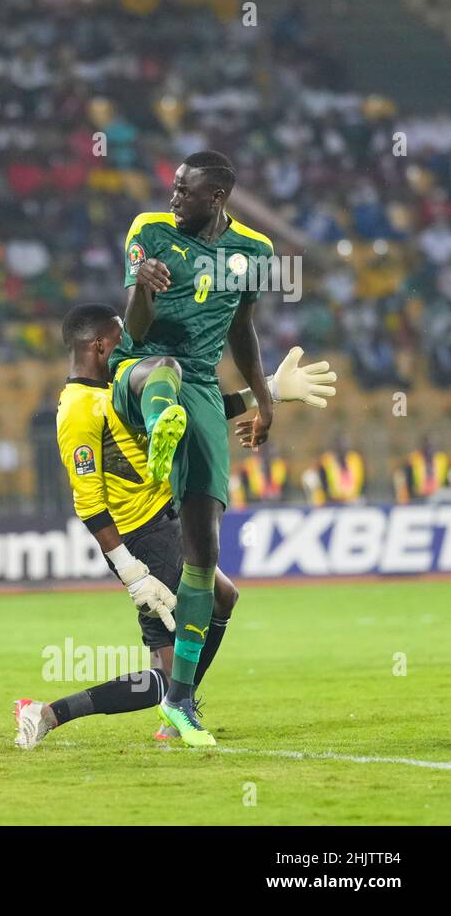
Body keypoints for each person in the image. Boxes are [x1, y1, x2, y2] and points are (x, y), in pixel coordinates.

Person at [15, 305, 337, 749]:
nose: (129, 345)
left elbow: (200, 408)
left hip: (163, 520)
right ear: (99, 346)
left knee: (177, 655)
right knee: (210, 613)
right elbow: (88, 502)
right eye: (120, 338)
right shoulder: (77, 409)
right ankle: (165, 705)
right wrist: (132, 573)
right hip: (143, 535)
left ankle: (74, 711)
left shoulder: (117, 390)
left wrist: (272, 391)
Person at [111, 152, 331, 745]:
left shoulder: (255, 253)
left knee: (203, 551)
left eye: (186, 189)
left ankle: (179, 700)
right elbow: (132, 329)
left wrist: (263, 399)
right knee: (162, 370)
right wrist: (145, 288)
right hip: (139, 371)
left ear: (219, 196)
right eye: (174, 184)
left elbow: (243, 327)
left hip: (205, 386)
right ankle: (162, 422)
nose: (174, 195)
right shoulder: (148, 231)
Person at [302, 435, 365, 506]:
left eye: (343, 447)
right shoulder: (327, 460)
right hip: (331, 501)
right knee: (310, 477)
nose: (341, 450)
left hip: (352, 501)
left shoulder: (354, 459)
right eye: (339, 448)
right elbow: (311, 474)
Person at [393, 437, 449, 505]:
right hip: (419, 495)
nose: (428, 449)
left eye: (430, 445)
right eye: (426, 445)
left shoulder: (442, 458)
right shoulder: (414, 458)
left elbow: (447, 477)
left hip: (440, 494)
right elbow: (405, 477)